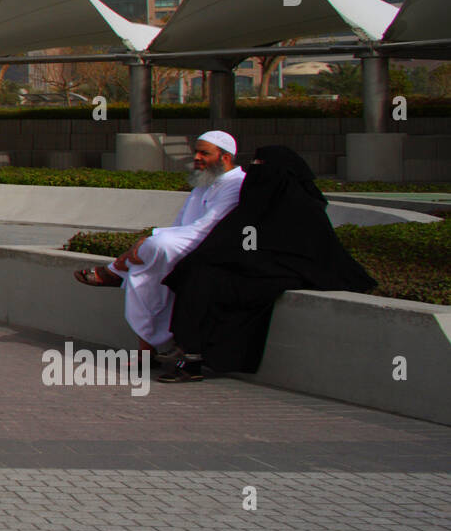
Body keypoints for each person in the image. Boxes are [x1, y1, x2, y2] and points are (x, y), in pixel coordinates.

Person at [159, 145, 377, 382]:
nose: (255, 171)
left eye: (262, 166)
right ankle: (188, 355)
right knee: (198, 274)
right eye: (254, 165)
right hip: (253, 270)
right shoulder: (255, 203)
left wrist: (245, 261)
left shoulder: (304, 210)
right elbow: (228, 241)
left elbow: (309, 257)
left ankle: (190, 356)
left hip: (285, 273)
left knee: (207, 282)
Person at [74, 131, 246, 361]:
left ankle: (116, 271)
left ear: (225, 157)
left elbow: (207, 227)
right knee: (146, 266)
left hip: (212, 246)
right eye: (196, 152)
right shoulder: (203, 183)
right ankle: (146, 352)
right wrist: (153, 240)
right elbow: (180, 224)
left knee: (154, 248)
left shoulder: (235, 185)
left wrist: (153, 238)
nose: (196, 157)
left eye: (204, 153)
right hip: (187, 241)